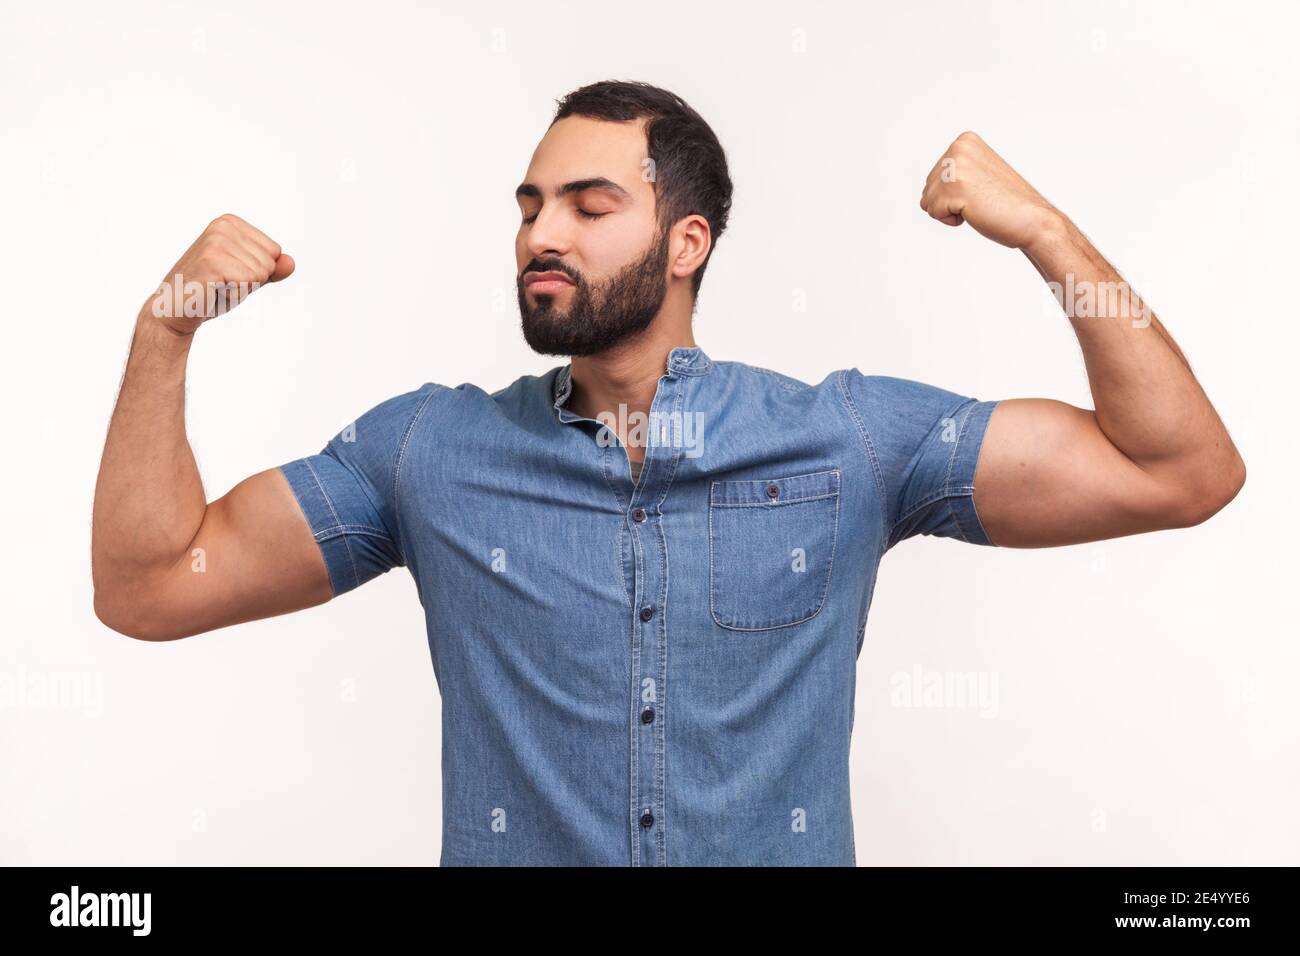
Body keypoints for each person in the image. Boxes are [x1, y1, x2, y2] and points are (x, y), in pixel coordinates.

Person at [91, 80, 1244, 866]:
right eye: (531, 205)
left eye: (591, 206)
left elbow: (1179, 469)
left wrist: (1044, 231)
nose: (544, 232)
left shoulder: (846, 441)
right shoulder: (429, 453)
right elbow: (149, 584)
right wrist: (165, 329)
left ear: (685, 243)